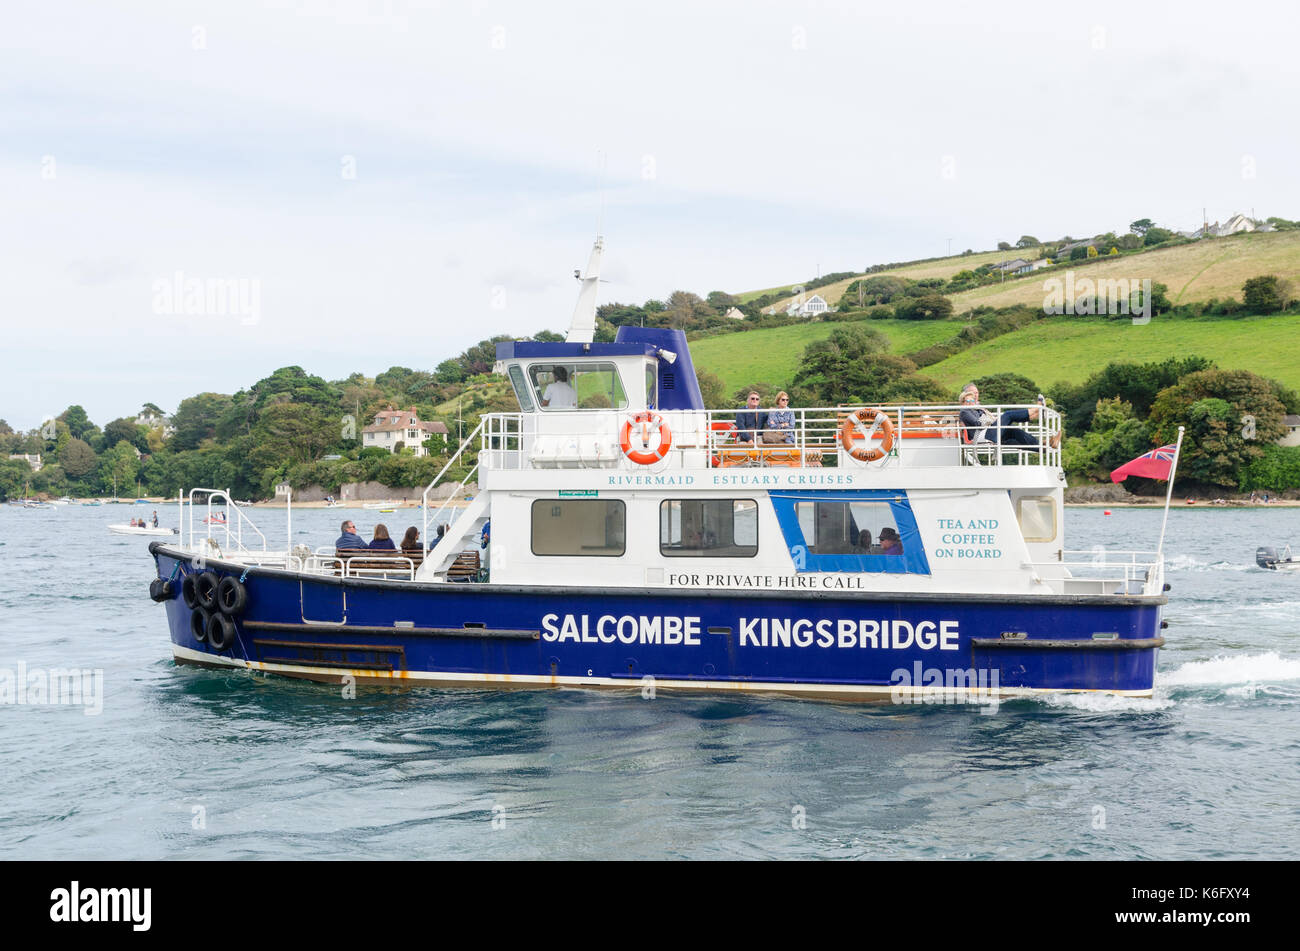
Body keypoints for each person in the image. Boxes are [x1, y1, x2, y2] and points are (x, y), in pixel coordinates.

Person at [958, 383, 1061, 449]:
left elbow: (984, 419)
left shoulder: (977, 408)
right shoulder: (965, 411)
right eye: (970, 398)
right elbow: (978, 424)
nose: (974, 398)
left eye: (976, 394)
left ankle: (1046, 445)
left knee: (1015, 432)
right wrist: (991, 420)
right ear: (963, 400)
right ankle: (1036, 409)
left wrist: (991, 418)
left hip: (989, 431)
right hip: (983, 435)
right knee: (1008, 415)